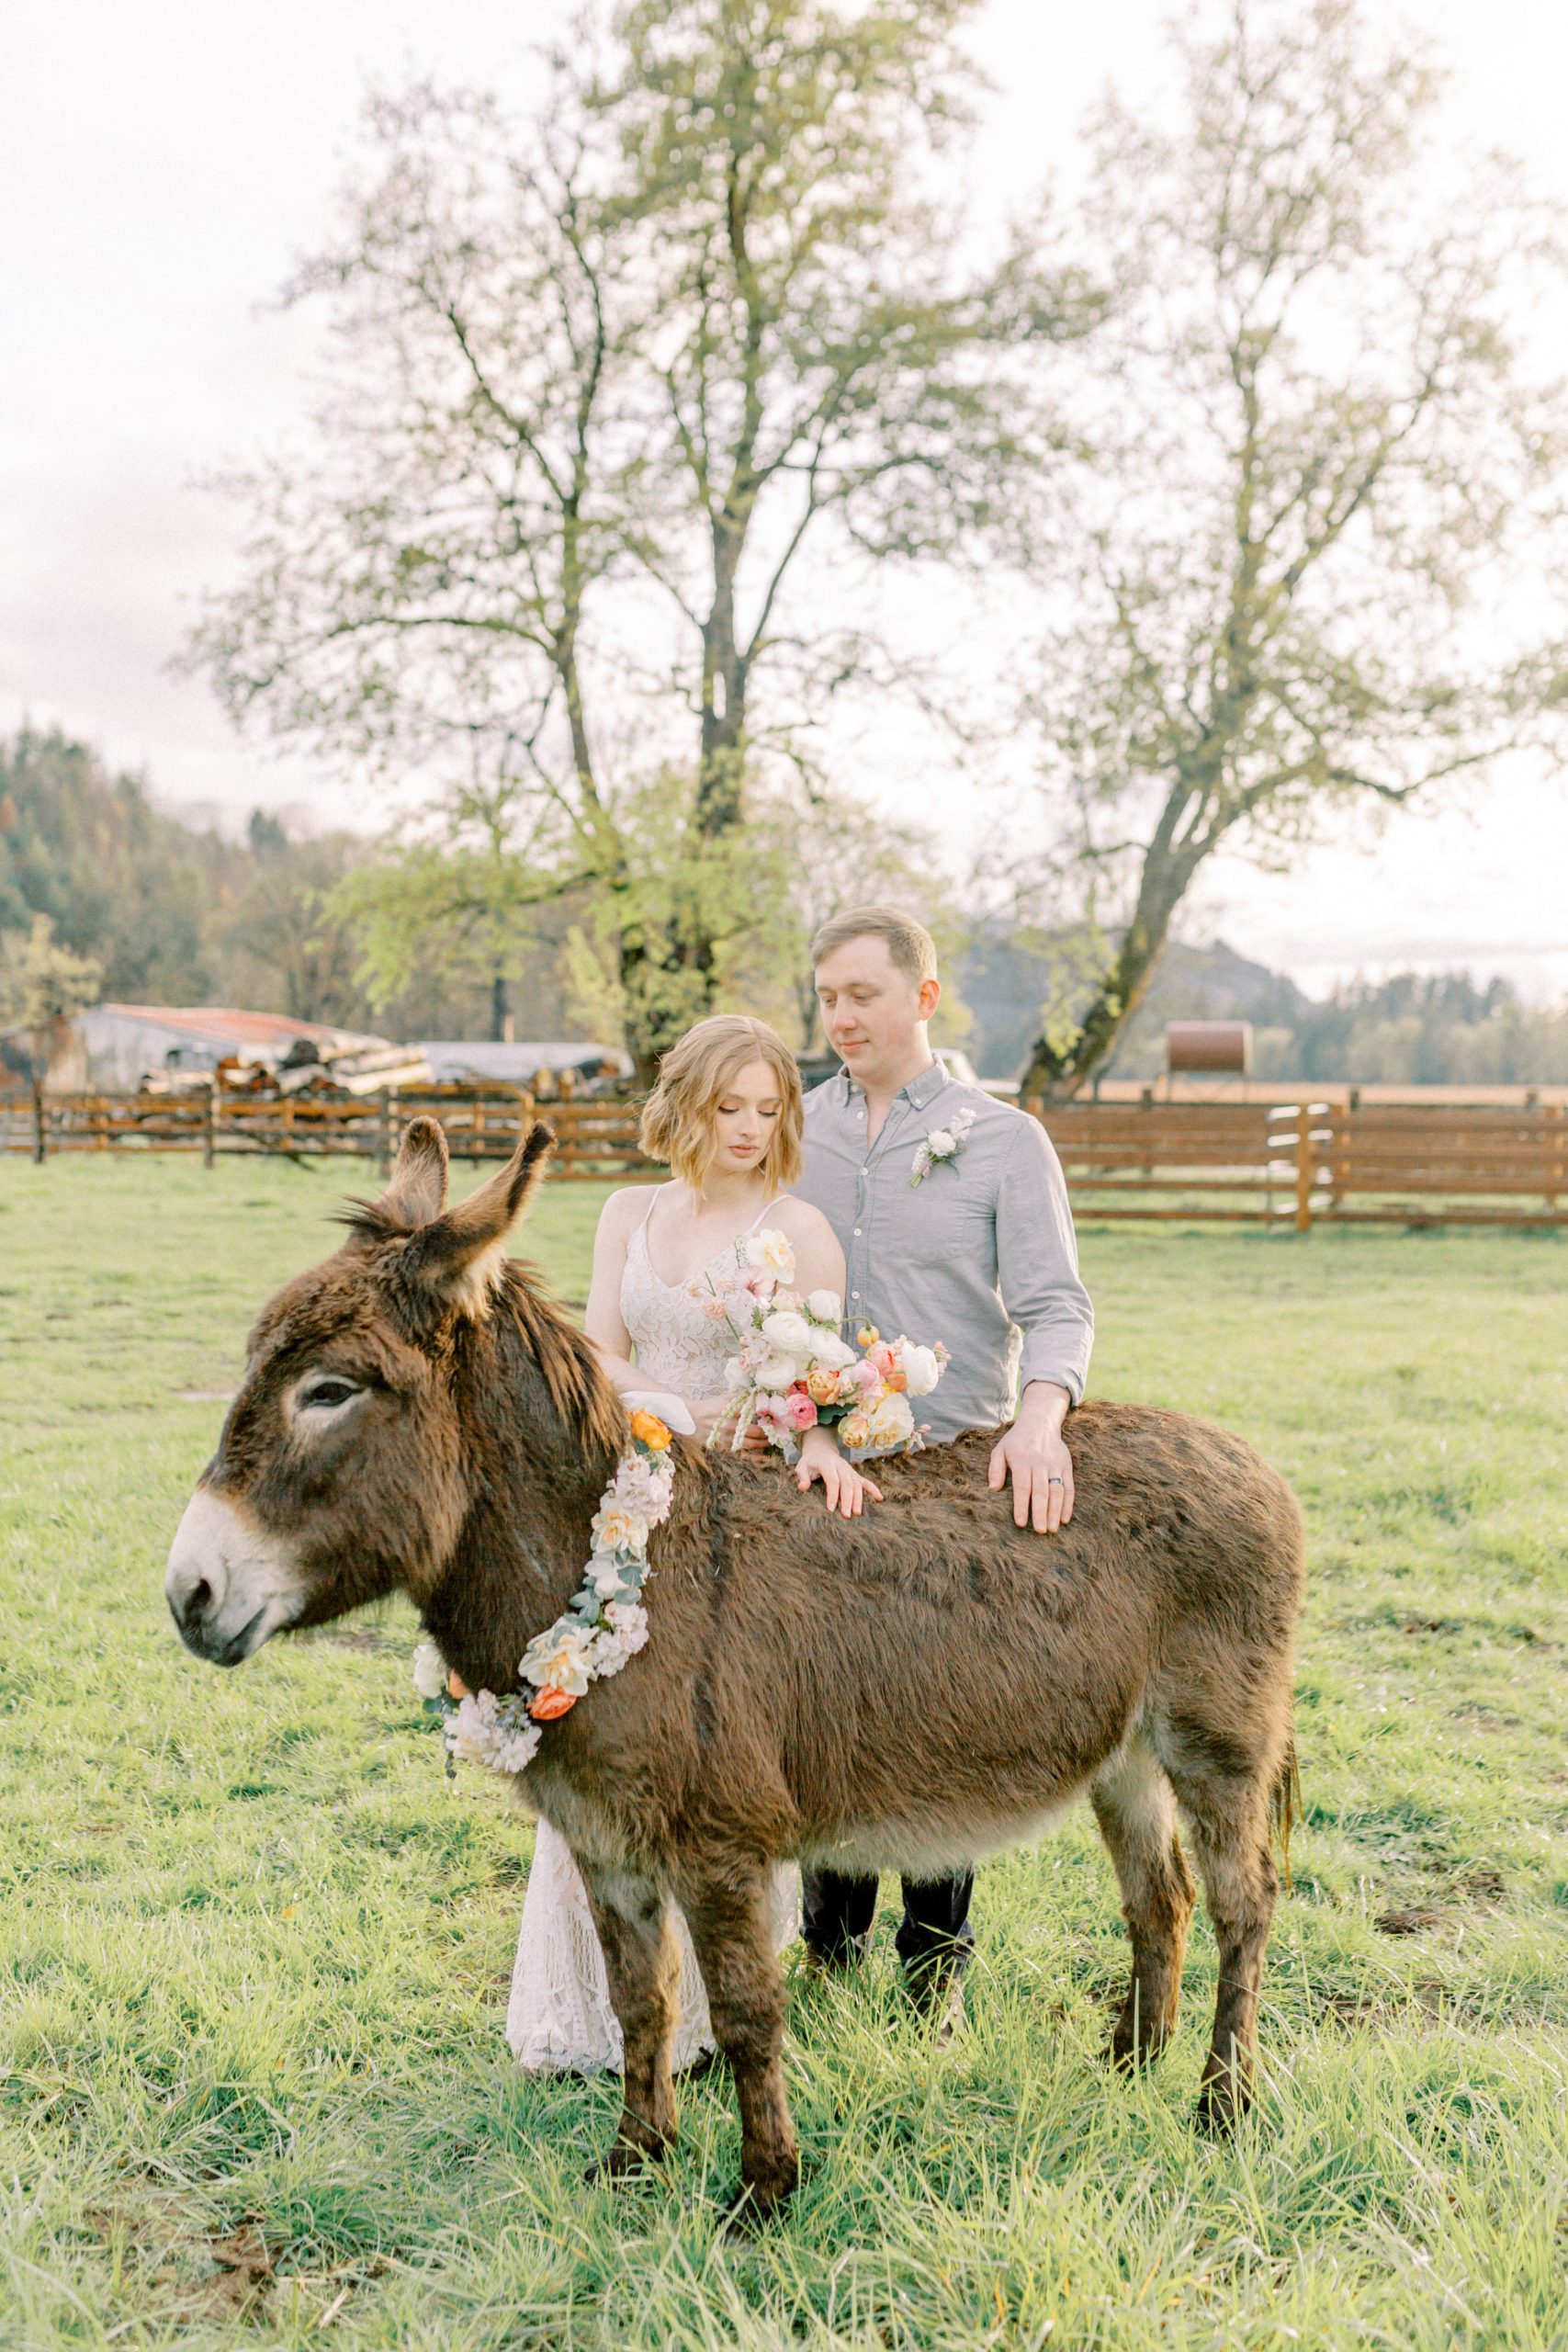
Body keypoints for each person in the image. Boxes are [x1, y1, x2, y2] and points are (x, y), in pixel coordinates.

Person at [507, 1013, 878, 2075]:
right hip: (628, 1488)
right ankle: (593, 2001)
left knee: (709, 1755)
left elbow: (811, 1379)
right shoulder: (630, 1212)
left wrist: (808, 1435)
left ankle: (718, 2009)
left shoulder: (800, 1230)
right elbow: (597, 1352)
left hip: (733, 1513)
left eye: (771, 1107)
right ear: (687, 1106)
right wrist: (663, 1401)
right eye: (732, 1107)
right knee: (605, 1734)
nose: (752, 1126)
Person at [792, 904, 1094, 2035]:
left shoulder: (1004, 1139)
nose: (840, 1017)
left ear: (923, 998)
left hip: (951, 1473)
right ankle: (827, 1949)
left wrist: (1043, 1419)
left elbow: (1056, 1304)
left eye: (862, 994)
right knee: (823, 1711)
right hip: (814, 1471)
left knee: (932, 1720)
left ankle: (937, 1965)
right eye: (826, 996)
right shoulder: (795, 1130)